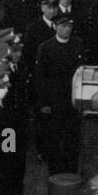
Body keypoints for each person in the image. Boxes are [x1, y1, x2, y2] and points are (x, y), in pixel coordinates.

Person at [31, 13, 83, 174]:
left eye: (69, 26)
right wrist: (43, 103)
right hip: (54, 101)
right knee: (54, 139)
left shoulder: (78, 44)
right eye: (63, 26)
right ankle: (55, 173)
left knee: (72, 138)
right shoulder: (45, 48)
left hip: (73, 100)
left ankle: (72, 173)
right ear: (55, 27)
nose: (67, 29)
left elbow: (82, 72)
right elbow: (40, 78)